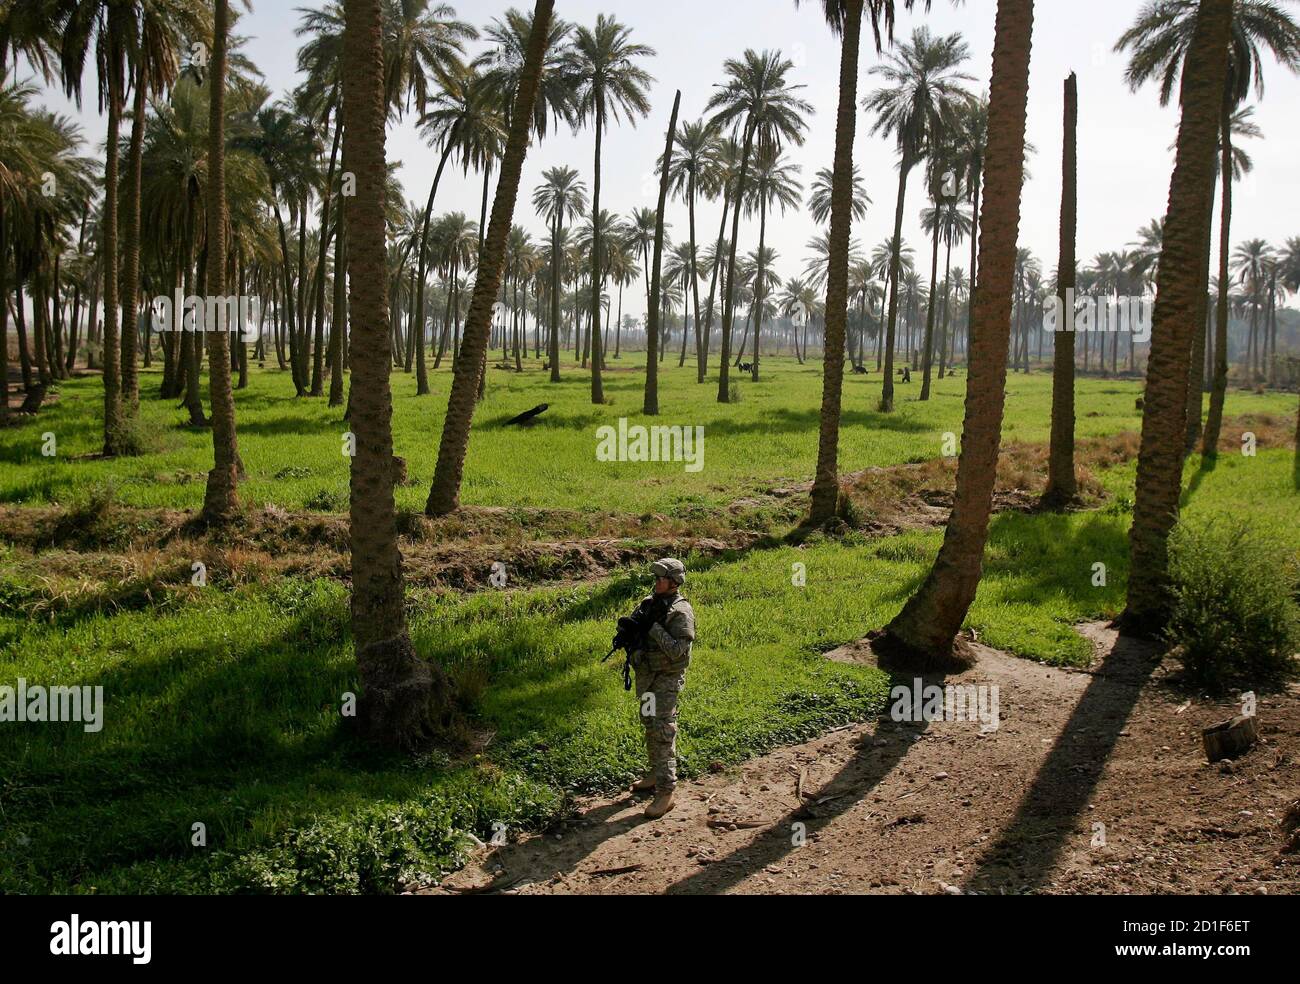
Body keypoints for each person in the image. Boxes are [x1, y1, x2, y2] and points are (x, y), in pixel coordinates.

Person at [631, 558, 695, 819]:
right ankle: (655, 774)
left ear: (674, 582)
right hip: (647, 677)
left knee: (663, 731)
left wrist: (654, 628)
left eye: (662, 578)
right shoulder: (649, 604)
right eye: (656, 578)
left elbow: (678, 652)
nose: (657, 582)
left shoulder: (681, 612)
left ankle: (666, 792)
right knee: (649, 722)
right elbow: (637, 632)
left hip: (667, 680)